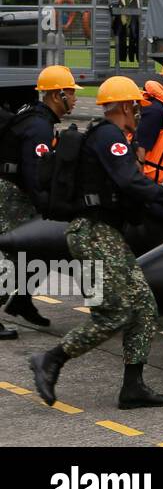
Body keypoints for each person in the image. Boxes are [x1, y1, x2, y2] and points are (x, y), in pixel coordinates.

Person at [28, 77, 163, 409]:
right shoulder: (109, 136)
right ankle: (50, 359)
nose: (138, 112)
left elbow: (130, 195)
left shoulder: (115, 138)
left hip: (107, 235)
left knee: (144, 306)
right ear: (123, 106)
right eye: (136, 106)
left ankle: (133, 388)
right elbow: (131, 182)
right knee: (113, 313)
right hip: (93, 235)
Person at [0, 65, 80, 336]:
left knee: (39, 249)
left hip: (14, 191)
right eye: (71, 92)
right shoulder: (39, 127)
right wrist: (49, 208)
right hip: (11, 195)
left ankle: (21, 300)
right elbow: (35, 175)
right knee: (12, 254)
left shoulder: (34, 116)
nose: (76, 98)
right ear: (57, 96)